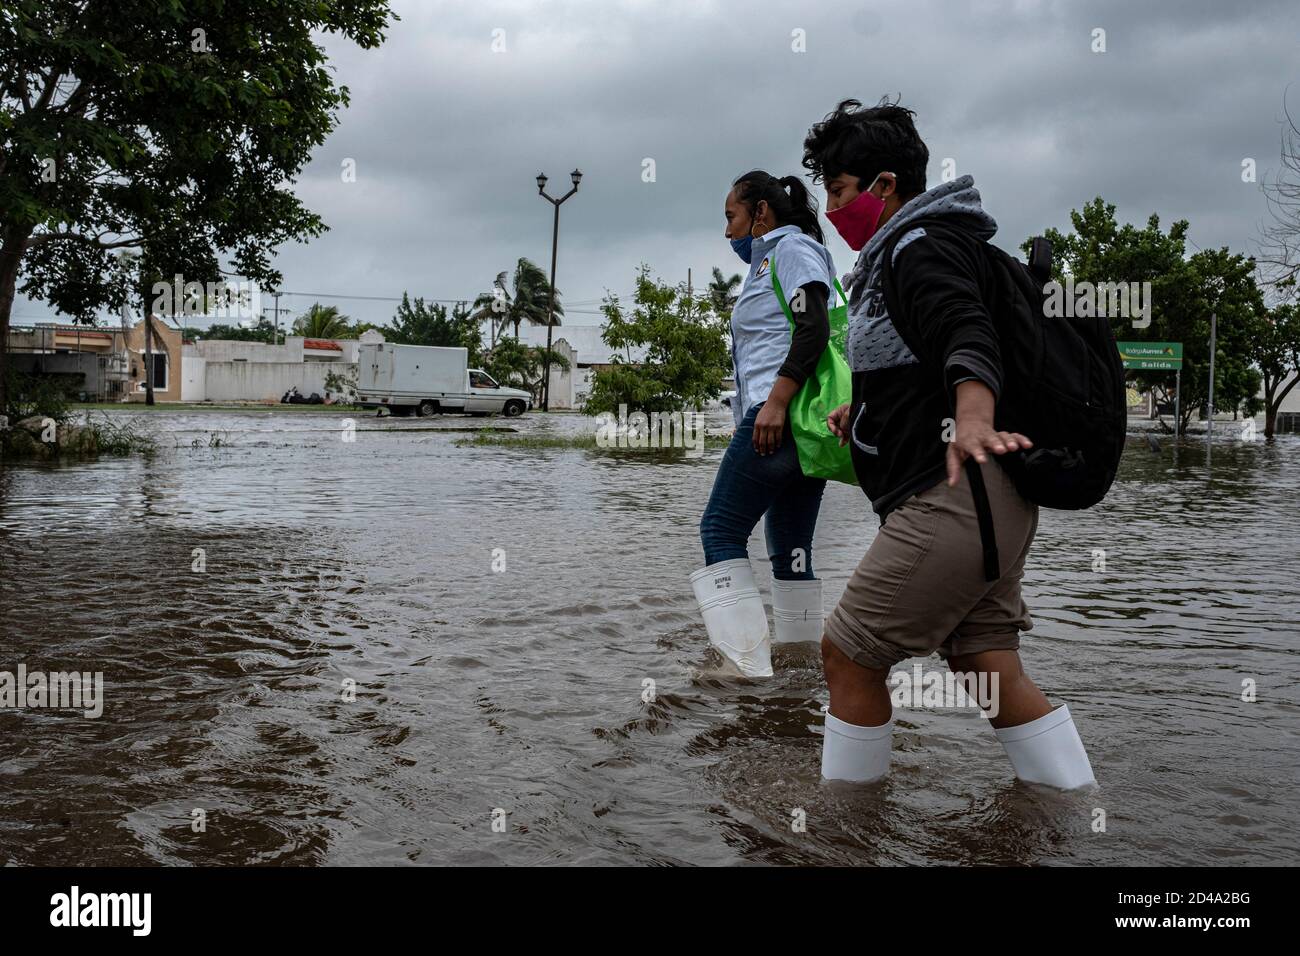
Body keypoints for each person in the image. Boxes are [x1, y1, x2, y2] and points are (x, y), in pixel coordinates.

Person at [803, 98, 1096, 789]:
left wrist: (971, 414)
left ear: (882, 185)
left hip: (957, 495)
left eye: (839, 191)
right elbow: (926, 346)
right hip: (994, 501)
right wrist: (868, 407)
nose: (834, 209)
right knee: (986, 663)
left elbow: (967, 332)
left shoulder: (917, 244)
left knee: (848, 655)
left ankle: (847, 832)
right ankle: (1077, 815)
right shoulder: (935, 245)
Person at [689, 171, 837, 678]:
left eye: (731, 217)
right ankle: (800, 664)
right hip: (796, 424)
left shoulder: (791, 251)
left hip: (778, 419)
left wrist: (774, 404)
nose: (727, 231)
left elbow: (813, 326)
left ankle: (743, 670)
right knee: (791, 551)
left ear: (761, 214)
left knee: (719, 531)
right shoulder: (771, 262)